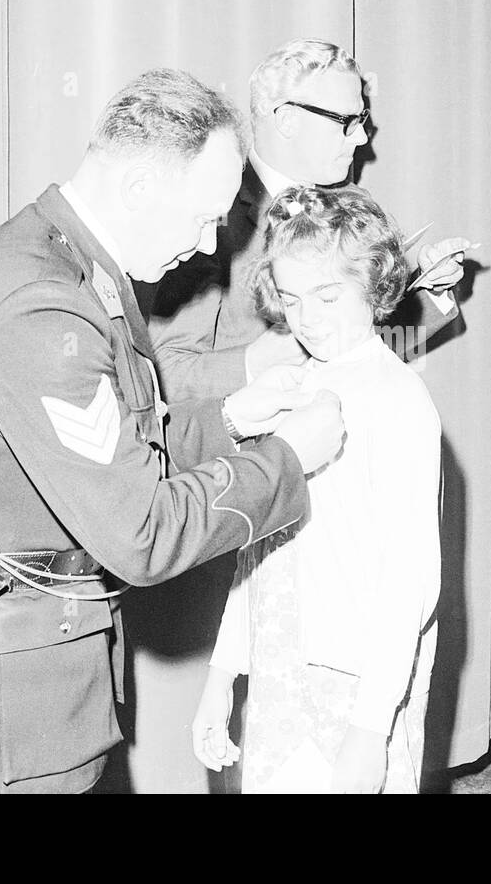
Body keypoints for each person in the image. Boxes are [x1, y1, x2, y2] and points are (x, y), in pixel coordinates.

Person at [0, 69, 345, 794]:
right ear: (141, 187)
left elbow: (116, 452)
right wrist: (288, 461)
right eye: (204, 217)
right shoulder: (40, 307)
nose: (212, 247)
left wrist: (233, 419)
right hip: (0, 717)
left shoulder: (66, 265)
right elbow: (140, 530)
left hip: (22, 670)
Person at [191, 185, 441, 794]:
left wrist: (368, 730)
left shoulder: (399, 399)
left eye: (329, 296)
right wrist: (223, 672)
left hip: (359, 679)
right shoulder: (288, 388)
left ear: (375, 287)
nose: (309, 319)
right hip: (280, 667)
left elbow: (411, 579)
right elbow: (258, 546)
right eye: (294, 299)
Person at [145, 37, 471, 402]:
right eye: (346, 121)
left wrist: (431, 291)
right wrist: (257, 361)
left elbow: (367, 348)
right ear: (287, 120)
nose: (362, 137)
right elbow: (165, 374)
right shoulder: (210, 218)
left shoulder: (353, 204)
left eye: (361, 120)